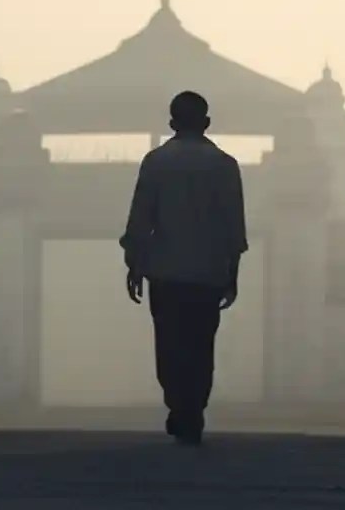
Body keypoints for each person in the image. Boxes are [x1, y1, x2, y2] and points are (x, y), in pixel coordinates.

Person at [120, 90, 248, 446]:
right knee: (201, 344)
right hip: (208, 273)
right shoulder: (225, 164)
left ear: (172, 123)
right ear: (206, 123)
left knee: (170, 344)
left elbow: (140, 219)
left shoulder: (156, 162)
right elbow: (233, 228)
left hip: (166, 272)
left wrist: (134, 264)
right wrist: (232, 275)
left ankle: (178, 404)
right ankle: (194, 408)